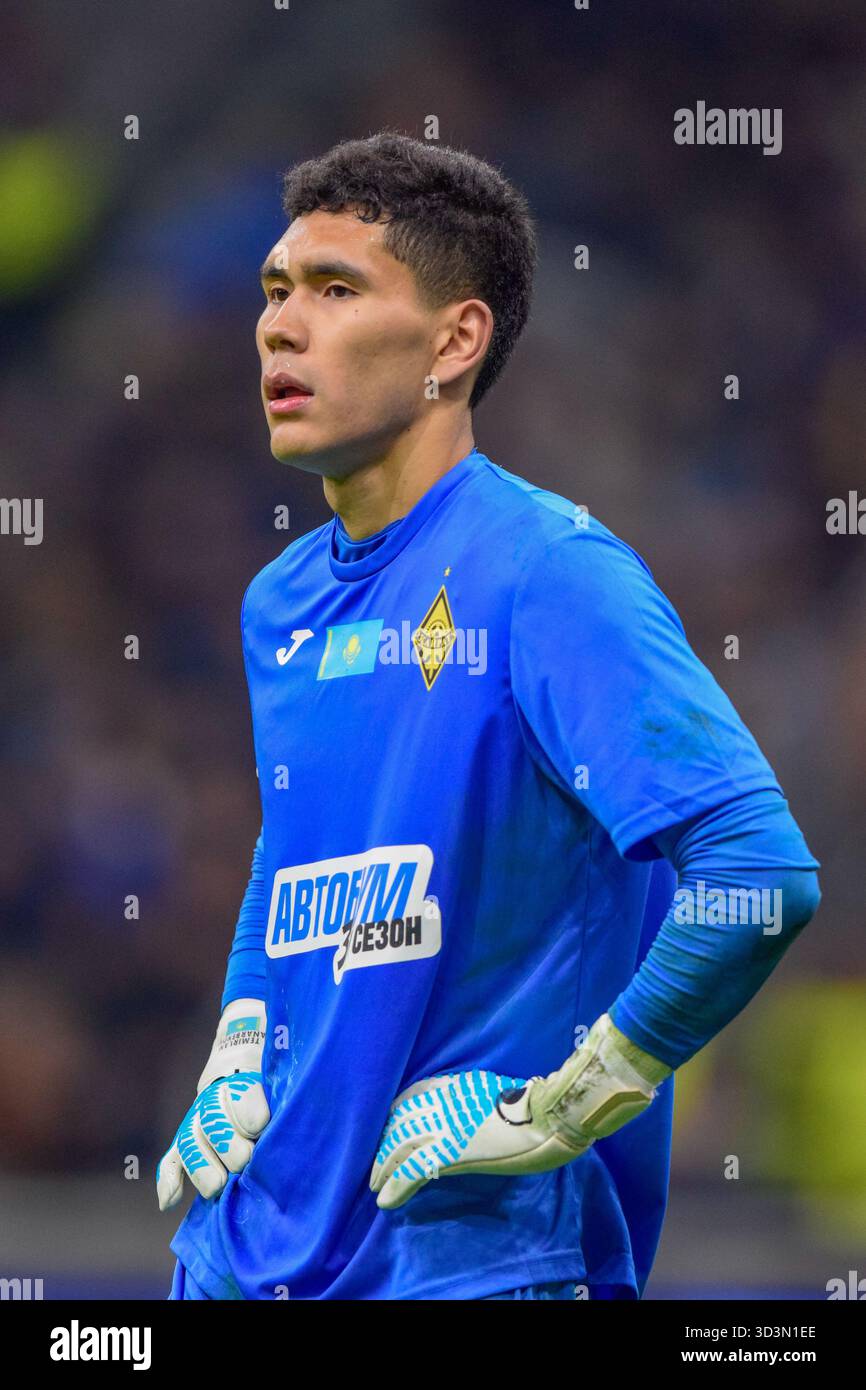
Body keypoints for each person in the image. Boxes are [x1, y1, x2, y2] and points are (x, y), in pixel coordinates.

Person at [157, 131, 820, 1301]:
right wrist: (243, 1032)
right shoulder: (281, 600)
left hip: (473, 1265)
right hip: (240, 1259)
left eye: (334, 289)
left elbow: (754, 875)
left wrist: (569, 1099)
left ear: (453, 342)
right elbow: (297, 839)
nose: (277, 324)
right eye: (274, 290)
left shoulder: (547, 572)